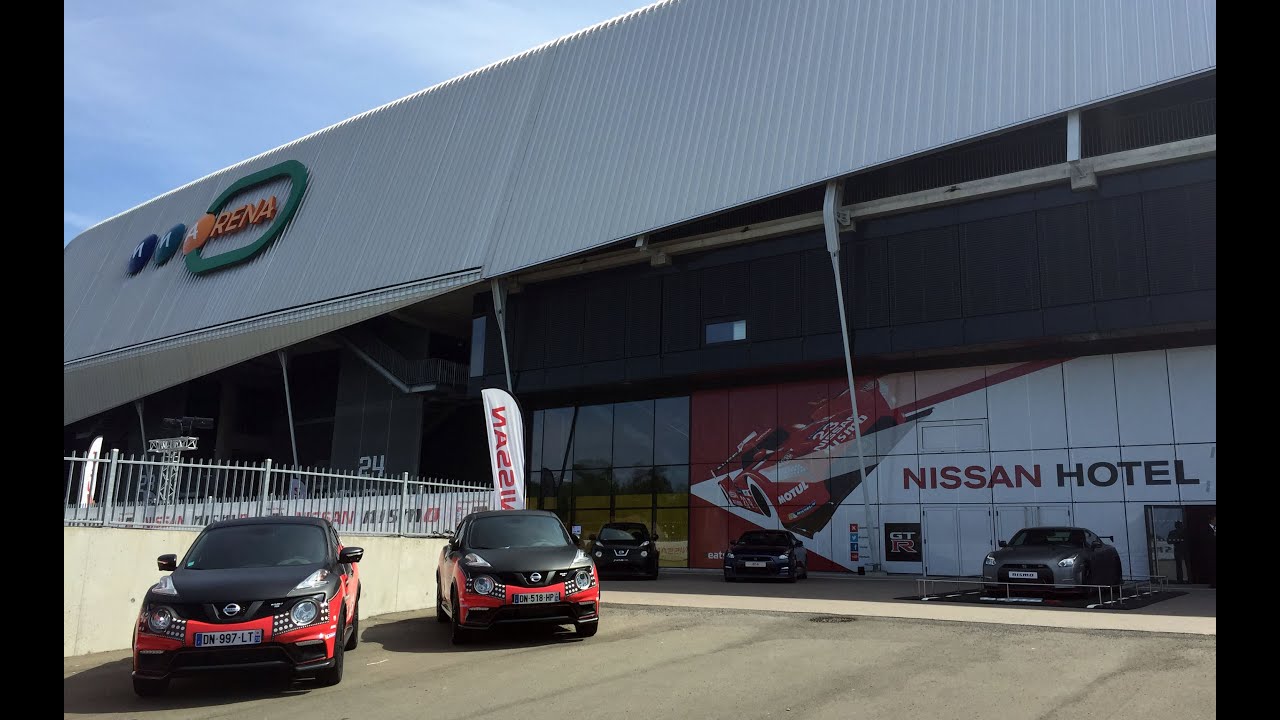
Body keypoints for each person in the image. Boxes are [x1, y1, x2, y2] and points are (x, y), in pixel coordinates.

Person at [1206, 515, 1216, 588]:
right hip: (1210, 552)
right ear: (1211, 520)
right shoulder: (1206, 529)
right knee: (1212, 567)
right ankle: (1213, 583)